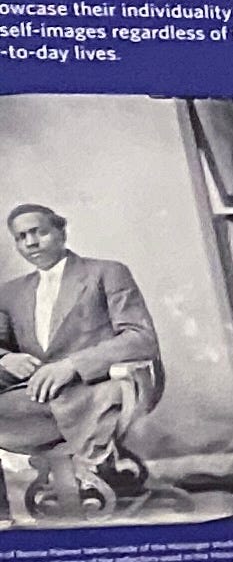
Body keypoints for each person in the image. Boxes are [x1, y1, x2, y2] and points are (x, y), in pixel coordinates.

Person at [0, 202, 159, 518]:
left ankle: (81, 486)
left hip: (93, 387)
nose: (30, 243)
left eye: (39, 232)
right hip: (34, 395)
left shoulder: (106, 272)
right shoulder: (9, 292)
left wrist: (72, 365)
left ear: (61, 231)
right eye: (21, 237)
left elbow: (140, 338)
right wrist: (5, 359)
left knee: (99, 400)